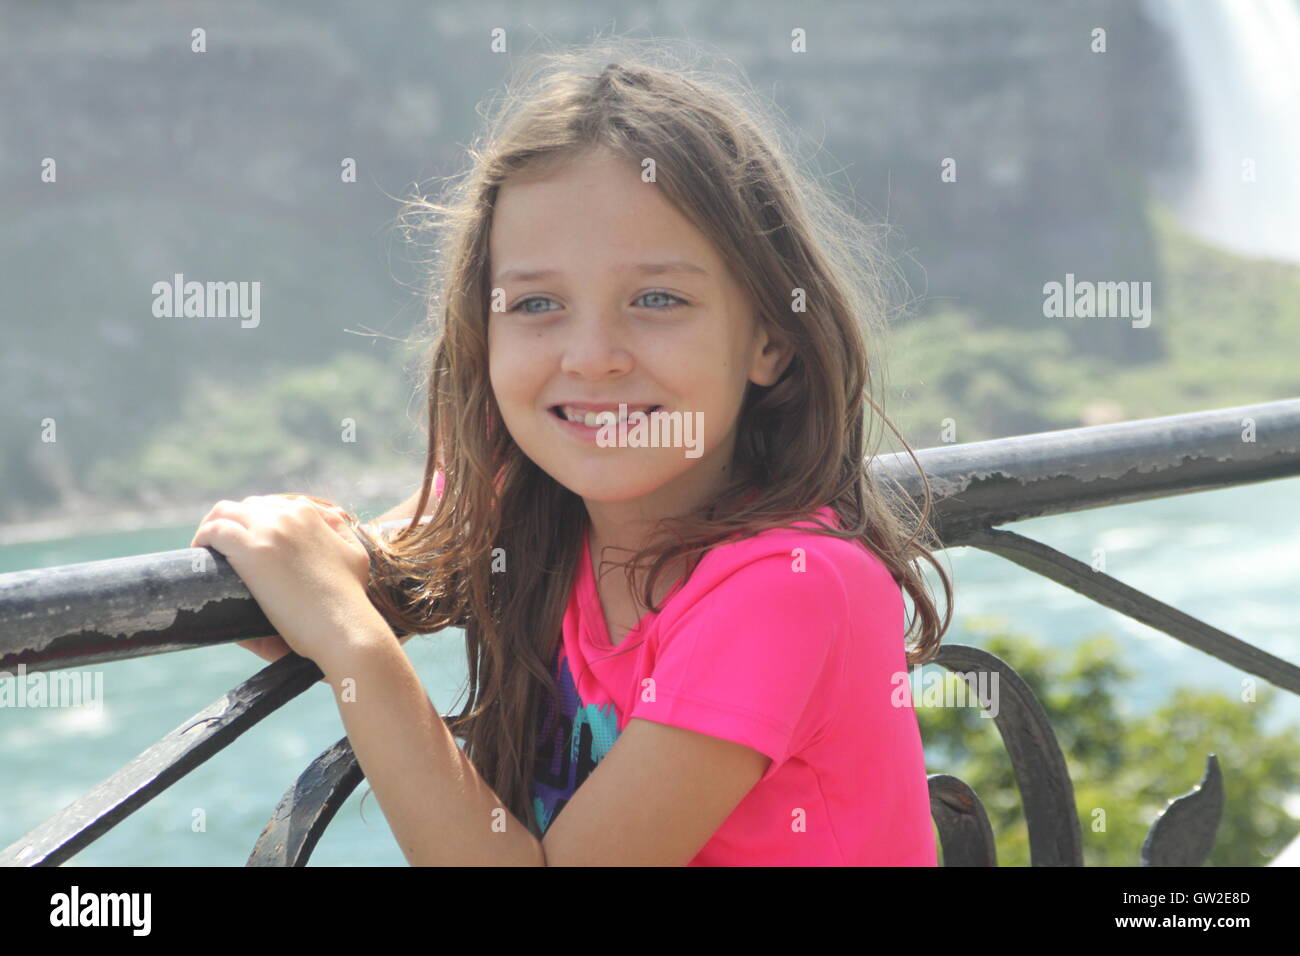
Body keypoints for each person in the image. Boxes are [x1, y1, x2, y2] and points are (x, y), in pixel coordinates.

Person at [190, 42, 952, 866]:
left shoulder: (790, 587)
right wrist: (308, 580)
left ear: (770, 337)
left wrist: (352, 643)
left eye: (657, 299)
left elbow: (342, 621)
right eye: (537, 303)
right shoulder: (529, 493)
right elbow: (368, 573)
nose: (592, 356)